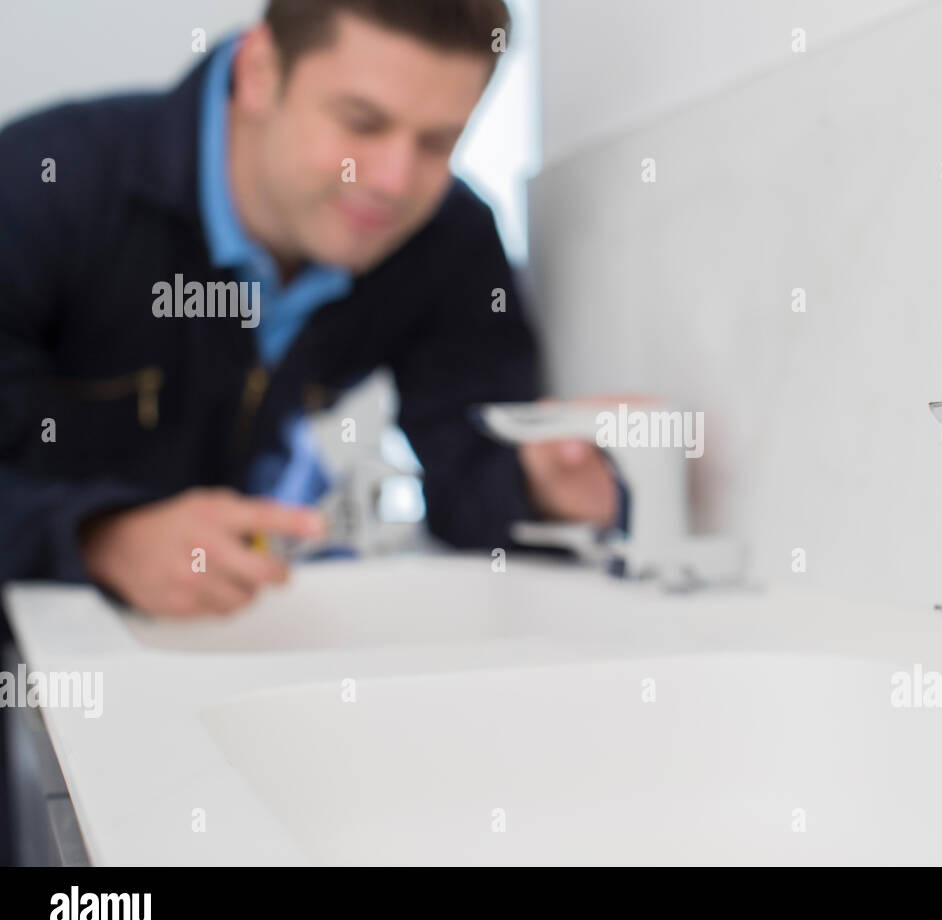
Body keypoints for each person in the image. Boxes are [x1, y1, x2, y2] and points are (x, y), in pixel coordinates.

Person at [0, 0, 618, 619]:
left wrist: (539, 486)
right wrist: (102, 538)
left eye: (438, 141)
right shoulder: (38, 190)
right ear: (260, 70)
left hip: (217, 632)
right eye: (361, 123)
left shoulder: (448, 239)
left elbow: (467, 473)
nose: (393, 182)